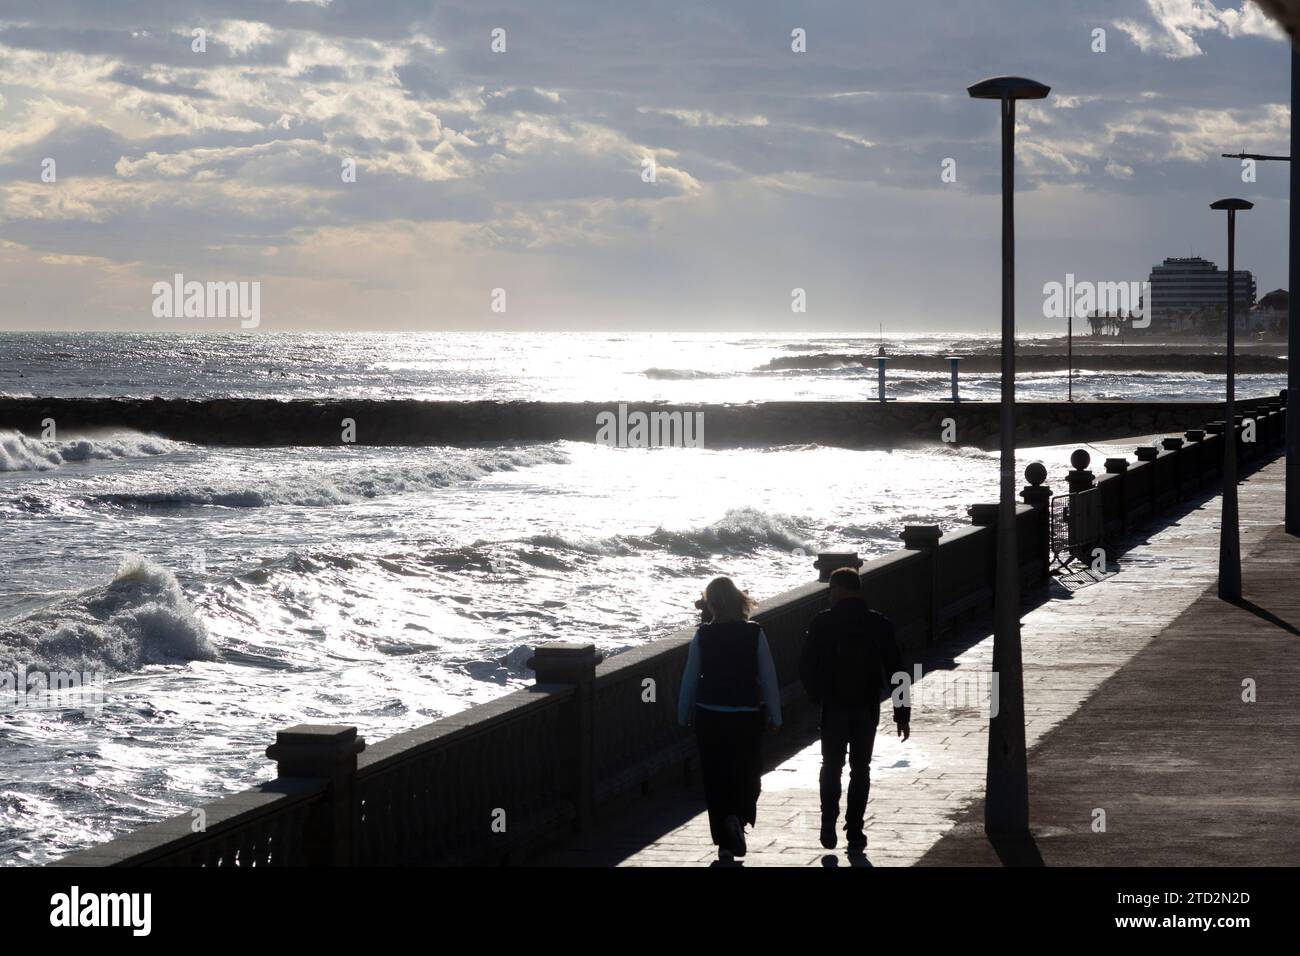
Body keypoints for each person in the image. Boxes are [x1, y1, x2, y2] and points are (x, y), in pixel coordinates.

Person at [799, 567, 910, 851]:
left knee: (831, 766)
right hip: (866, 706)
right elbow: (897, 669)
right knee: (861, 769)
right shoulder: (878, 623)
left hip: (833, 706)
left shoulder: (823, 623)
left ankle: (828, 820)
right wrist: (902, 712)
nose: (829, 596)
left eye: (831, 590)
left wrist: (816, 696)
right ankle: (856, 829)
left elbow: (805, 666)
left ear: (839, 589)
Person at [677, 576, 782, 862]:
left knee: (715, 775)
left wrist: (683, 712)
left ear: (711, 604)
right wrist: (775, 714)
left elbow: (690, 676)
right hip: (746, 714)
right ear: (738, 600)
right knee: (748, 771)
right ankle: (739, 814)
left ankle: (724, 840)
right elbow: (768, 676)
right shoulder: (754, 632)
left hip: (709, 713)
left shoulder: (703, 635)